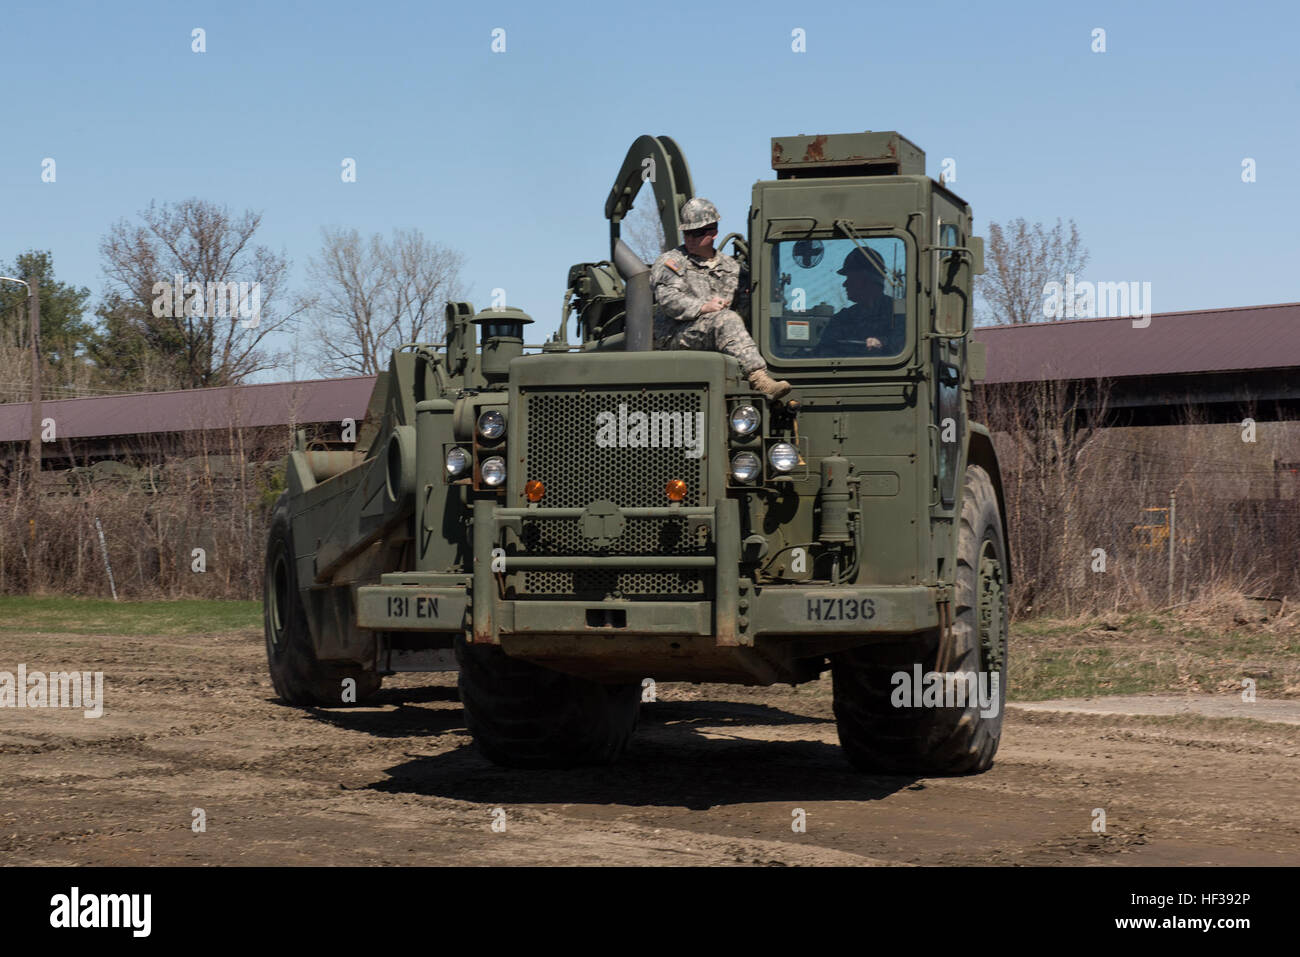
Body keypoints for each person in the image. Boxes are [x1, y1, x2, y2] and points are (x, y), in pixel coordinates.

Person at [651, 198, 790, 399]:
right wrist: (703, 307)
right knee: (726, 319)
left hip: (715, 335)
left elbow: (746, 308)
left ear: (713, 232)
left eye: (696, 233)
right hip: (675, 335)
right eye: (686, 233)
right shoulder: (671, 262)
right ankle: (759, 378)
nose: (689, 238)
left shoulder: (731, 268)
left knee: (737, 319)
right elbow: (669, 300)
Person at [816, 247, 904, 357]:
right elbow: (821, 351)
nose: (845, 284)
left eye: (850, 278)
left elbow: (906, 342)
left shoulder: (899, 310)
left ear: (866, 279)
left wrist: (882, 342)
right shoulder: (843, 318)